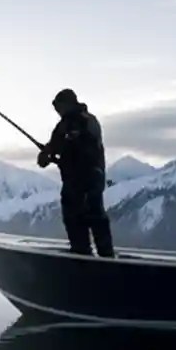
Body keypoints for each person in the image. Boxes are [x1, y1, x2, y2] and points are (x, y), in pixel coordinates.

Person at [37, 88, 115, 257]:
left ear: (67, 104)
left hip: (82, 179)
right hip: (91, 177)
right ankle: (104, 254)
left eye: (59, 108)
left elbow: (69, 146)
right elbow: (60, 147)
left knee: (79, 216)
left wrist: (49, 153)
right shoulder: (88, 121)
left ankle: (83, 253)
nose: (58, 112)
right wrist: (50, 153)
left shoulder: (74, 123)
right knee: (93, 215)